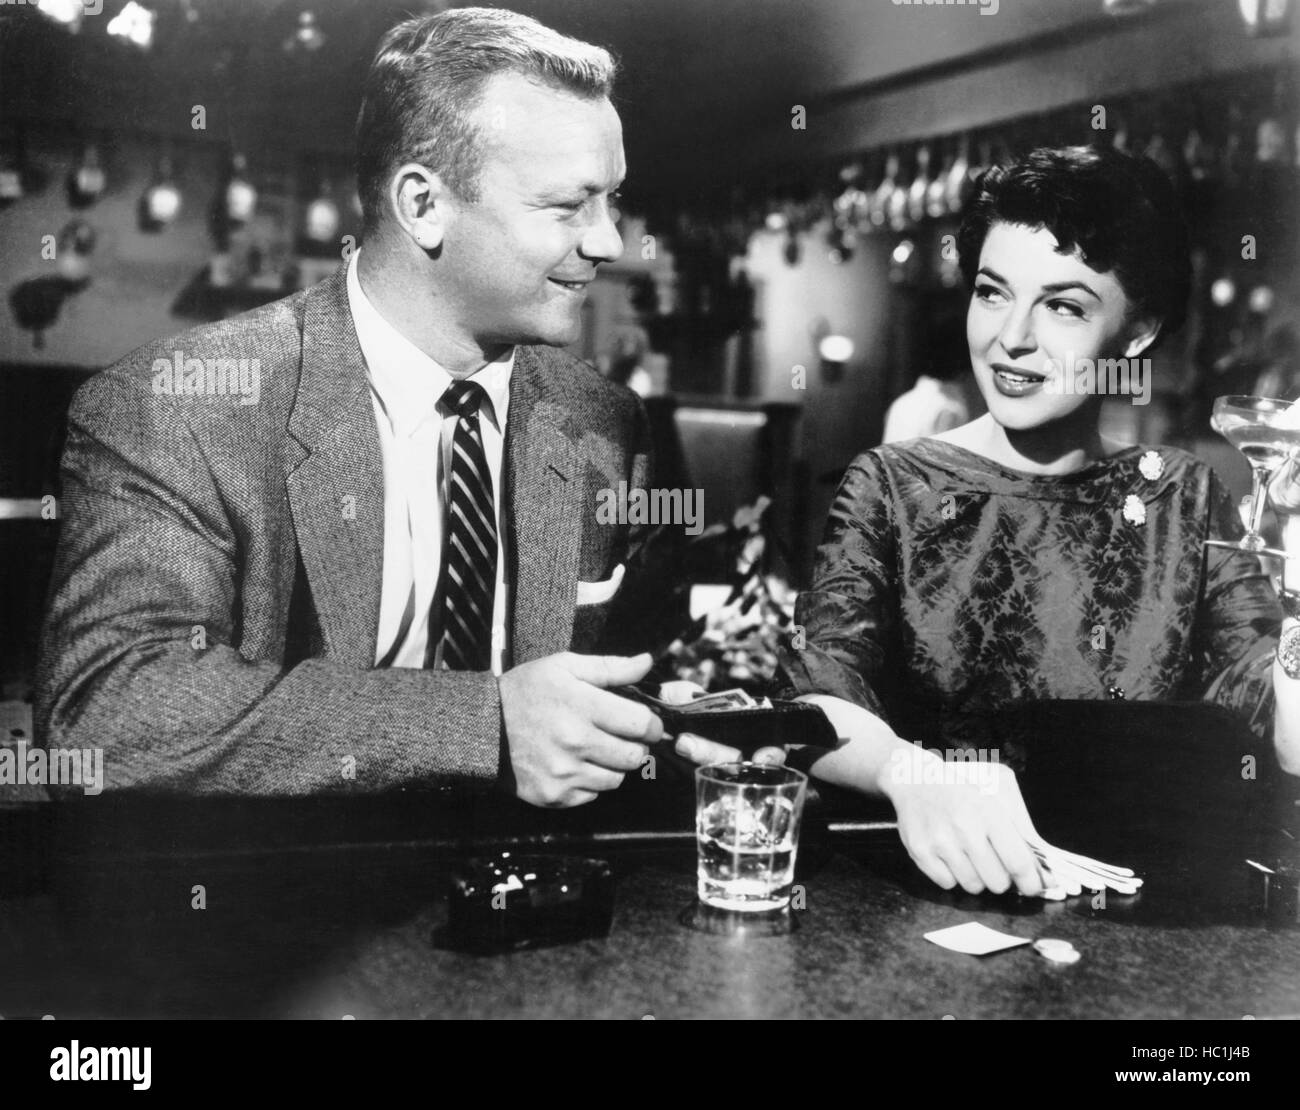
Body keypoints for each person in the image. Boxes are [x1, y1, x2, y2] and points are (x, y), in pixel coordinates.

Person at [35, 8, 738, 803]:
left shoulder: (603, 420)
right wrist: (486, 725)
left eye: (612, 200)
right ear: (422, 205)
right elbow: (109, 710)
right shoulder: (179, 409)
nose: (610, 242)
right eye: (568, 206)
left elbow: (623, 691)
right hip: (280, 900)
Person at [782, 145, 1300, 898]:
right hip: (931, 902)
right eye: (993, 293)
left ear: (1138, 332)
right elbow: (815, 701)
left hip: (1126, 922)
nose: (1012, 337)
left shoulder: (1184, 498)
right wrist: (913, 773)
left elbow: (1275, 720)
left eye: (1063, 306)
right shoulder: (893, 485)